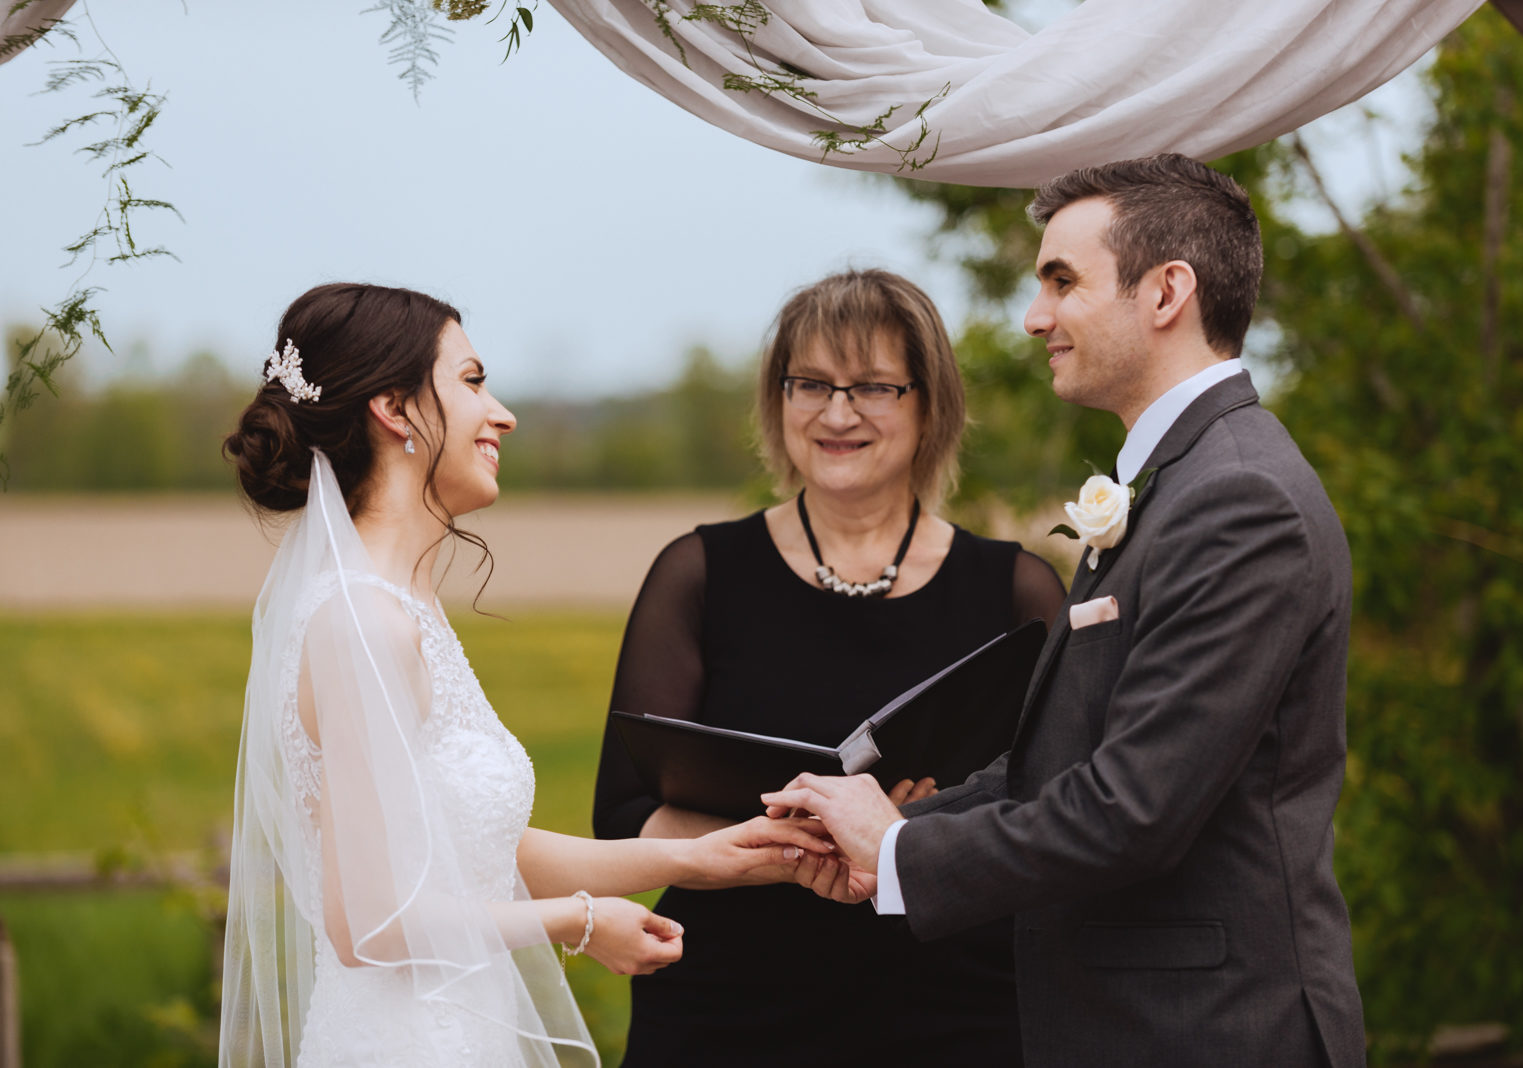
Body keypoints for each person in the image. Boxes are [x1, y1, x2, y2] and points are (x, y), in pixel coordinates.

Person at [763, 156, 1367, 1067]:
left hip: (1214, 1033)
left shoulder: (1240, 498)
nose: (1035, 316)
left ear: (1167, 292)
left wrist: (899, 855)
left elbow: (1133, 808)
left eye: (1061, 282)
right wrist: (885, 835)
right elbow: (1062, 765)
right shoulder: (1185, 482)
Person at [217, 283, 825, 1068]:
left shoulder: (403, 610)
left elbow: (473, 849)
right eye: (472, 382)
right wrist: (577, 921)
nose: (501, 413)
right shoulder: (362, 624)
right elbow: (369, 923)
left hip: (458, 1029)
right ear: (395, 409)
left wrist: (695, 858)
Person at [591, 268, 1067, 1067]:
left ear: (930, 403)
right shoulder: (702, 573)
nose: (837, 413)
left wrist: (927, 826)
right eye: (810, 383)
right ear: (778, 401)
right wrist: (797, 844)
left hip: (959, 1008)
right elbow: (623, 817)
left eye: (874, 387)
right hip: (727, 1012)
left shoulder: (1017, 591)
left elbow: (1065, 811)